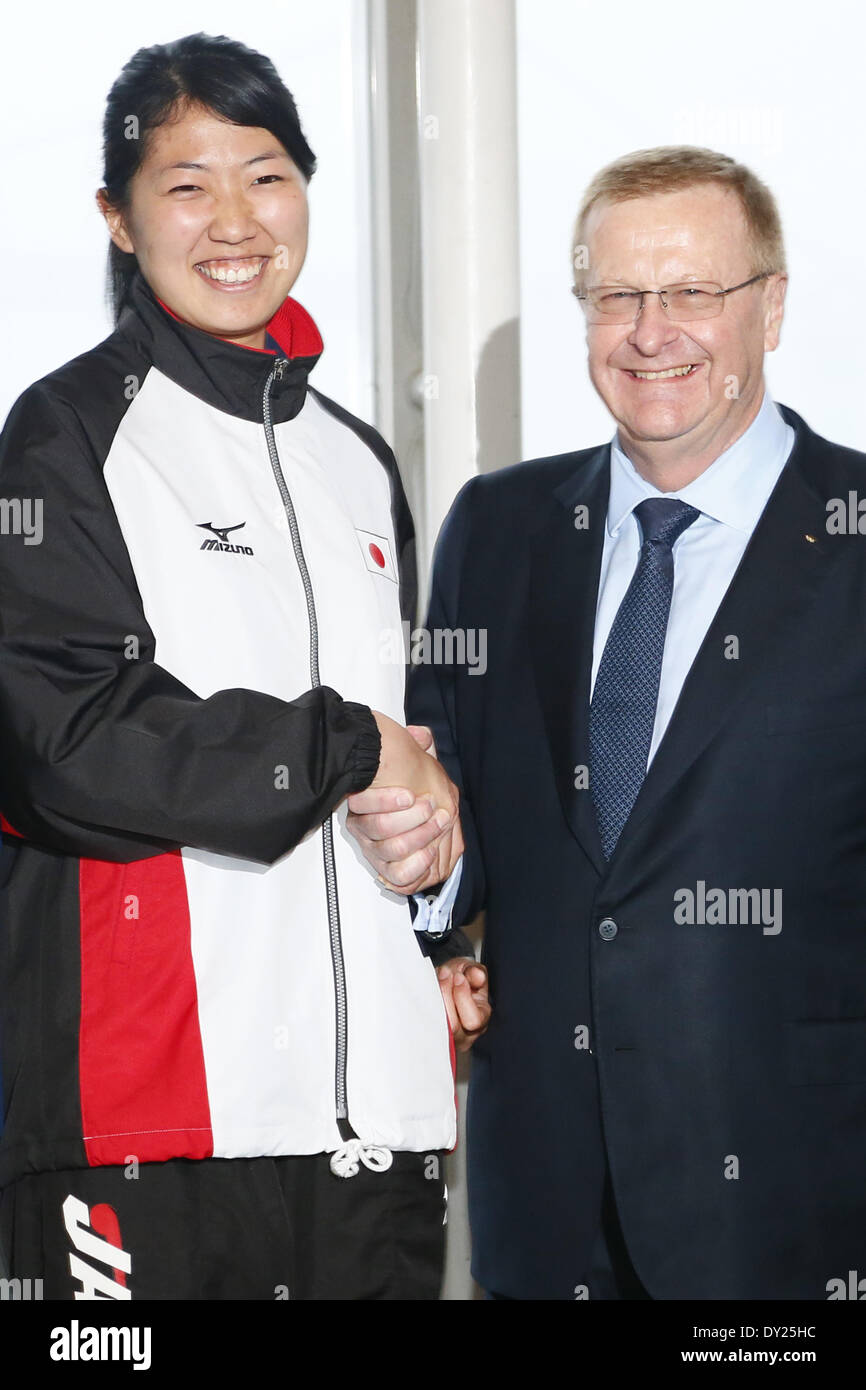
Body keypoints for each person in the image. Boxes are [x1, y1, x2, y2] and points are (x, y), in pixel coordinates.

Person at [347, 145, 866, 1299]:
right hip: (546, 1203)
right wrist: (428, 889)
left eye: (690, 292)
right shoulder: (496, 526)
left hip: (798, 1209)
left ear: (769, 306)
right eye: (616, 295)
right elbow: (454, 811)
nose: (651, 330)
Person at [0, 31, 470, 1301]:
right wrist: (349, 743)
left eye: (264, 175)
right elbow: (64, 744)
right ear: (117, 216)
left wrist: (443, 869)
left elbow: (423, 752)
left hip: (376, 1118)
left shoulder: (360, 460)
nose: (233, 221)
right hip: (149, 1117)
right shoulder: (60, 438)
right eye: (184, 182)